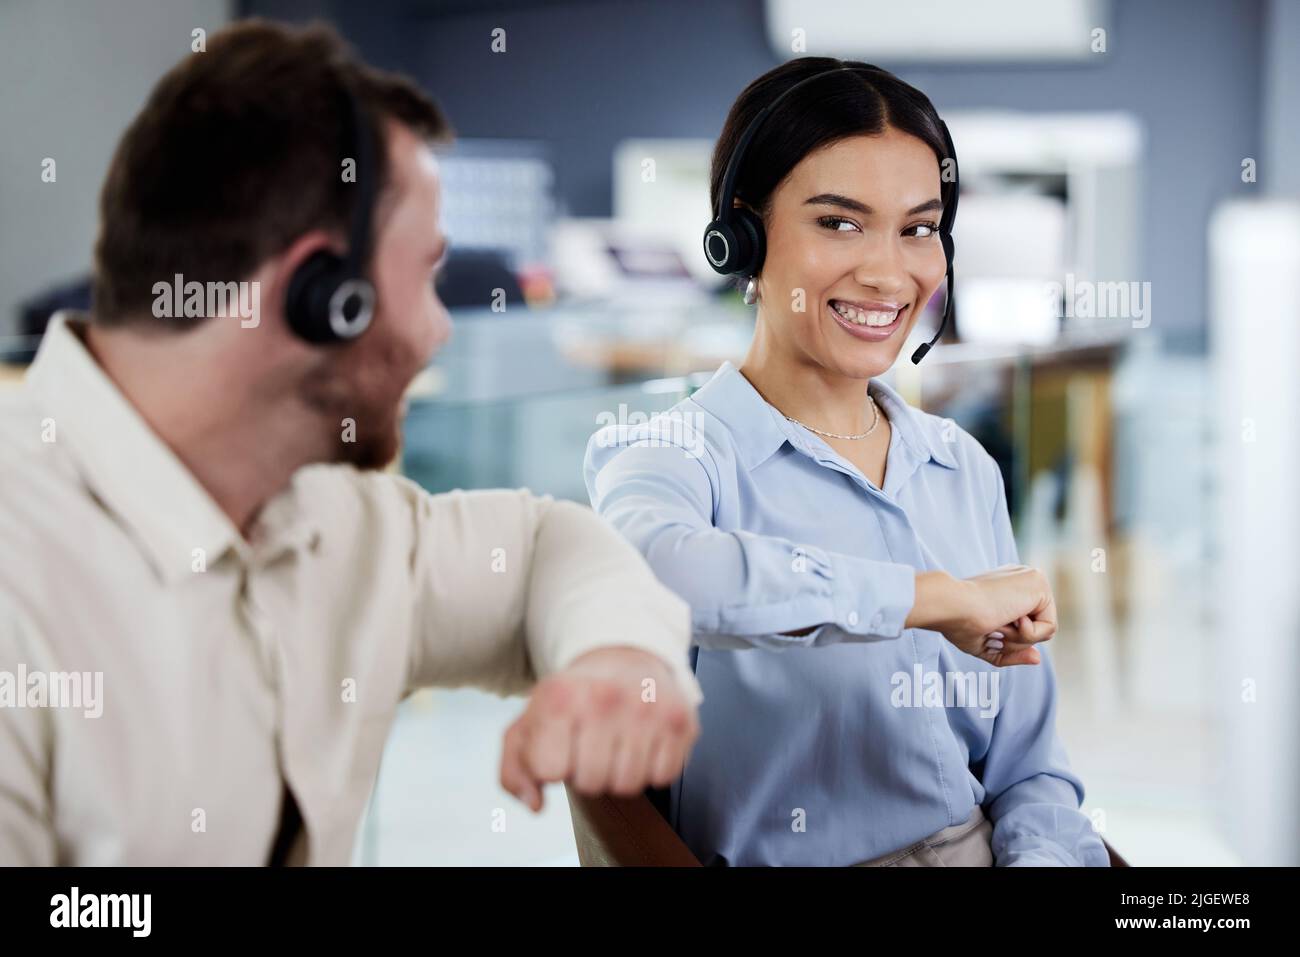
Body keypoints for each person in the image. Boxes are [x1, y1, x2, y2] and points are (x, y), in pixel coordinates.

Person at [0, 20, 701, 865]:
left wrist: (617, 654)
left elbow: (544, 548)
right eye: (428, 275)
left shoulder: (330, 516)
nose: (442, 331)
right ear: (322, 295)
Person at [585, 57, 1108, 866]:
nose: (887, 271)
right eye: (838, 222)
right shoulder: (668, 454)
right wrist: (927, 598)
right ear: (741, 237)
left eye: (919, 228)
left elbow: (1030, 772)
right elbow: (665, 578)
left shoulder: (963, 468)